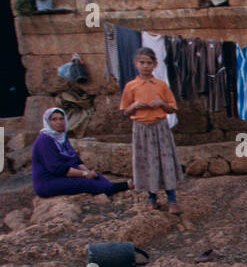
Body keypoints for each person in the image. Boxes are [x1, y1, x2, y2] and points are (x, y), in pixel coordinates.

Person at [120, 47, 182, 215]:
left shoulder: (161, 85)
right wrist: (134, 106)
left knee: (165, 161)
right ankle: (151, 198)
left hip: (160, 127)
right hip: (141, 129)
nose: (145, 66)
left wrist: (161, 104)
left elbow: (172, 109)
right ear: (136, 64)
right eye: (142, 63)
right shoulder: (131, 87)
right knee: (147, 162)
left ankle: (171, 199)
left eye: (149, 63)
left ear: (155, 65)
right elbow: (125, 112)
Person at [31, 107, 129, 198]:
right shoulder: (44, 140)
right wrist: (84, 174)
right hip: (48, 182)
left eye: (61, 119)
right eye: (54, 119)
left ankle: (110, 188)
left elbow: (75, 160)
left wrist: (88, 172)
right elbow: (57, 168)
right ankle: (121, 186)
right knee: (84, 183)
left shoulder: (61, 138)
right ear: (48, 122)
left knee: (96, 176)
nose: (59, 122)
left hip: (61, 176)